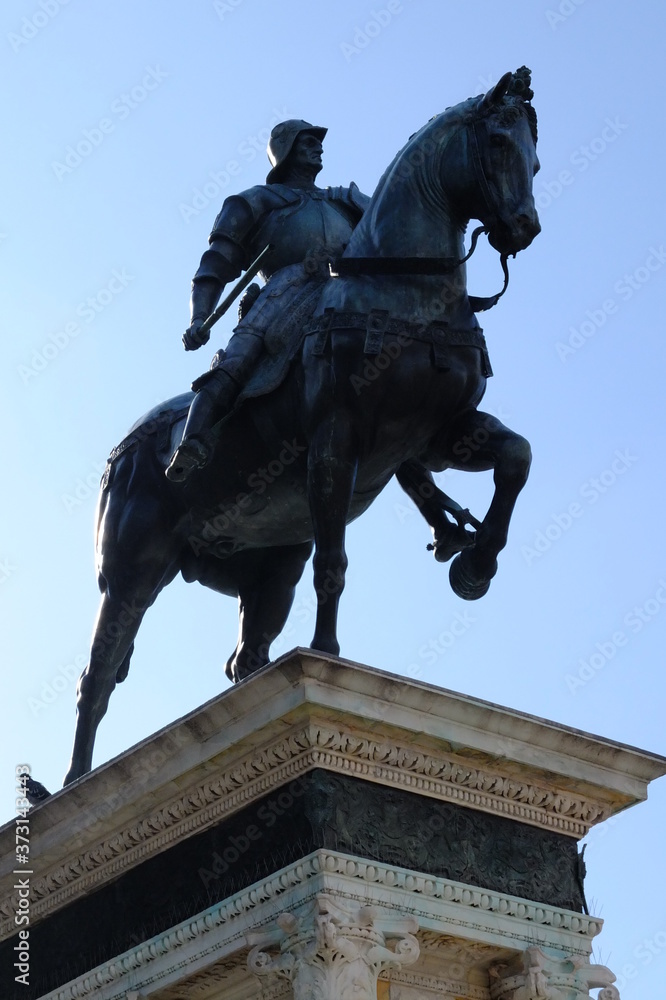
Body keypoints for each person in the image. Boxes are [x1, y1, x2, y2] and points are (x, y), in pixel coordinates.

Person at [165, 119, 369, 482]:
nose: (318, 147)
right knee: (238, 360)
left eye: (317, 142)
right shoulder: (256, 201)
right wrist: (200, 317)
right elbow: (216, 263)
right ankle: (193, 439)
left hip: (347, 285)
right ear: (286, 149)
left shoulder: (347, 201)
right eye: (308, 142)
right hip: (287, 288)